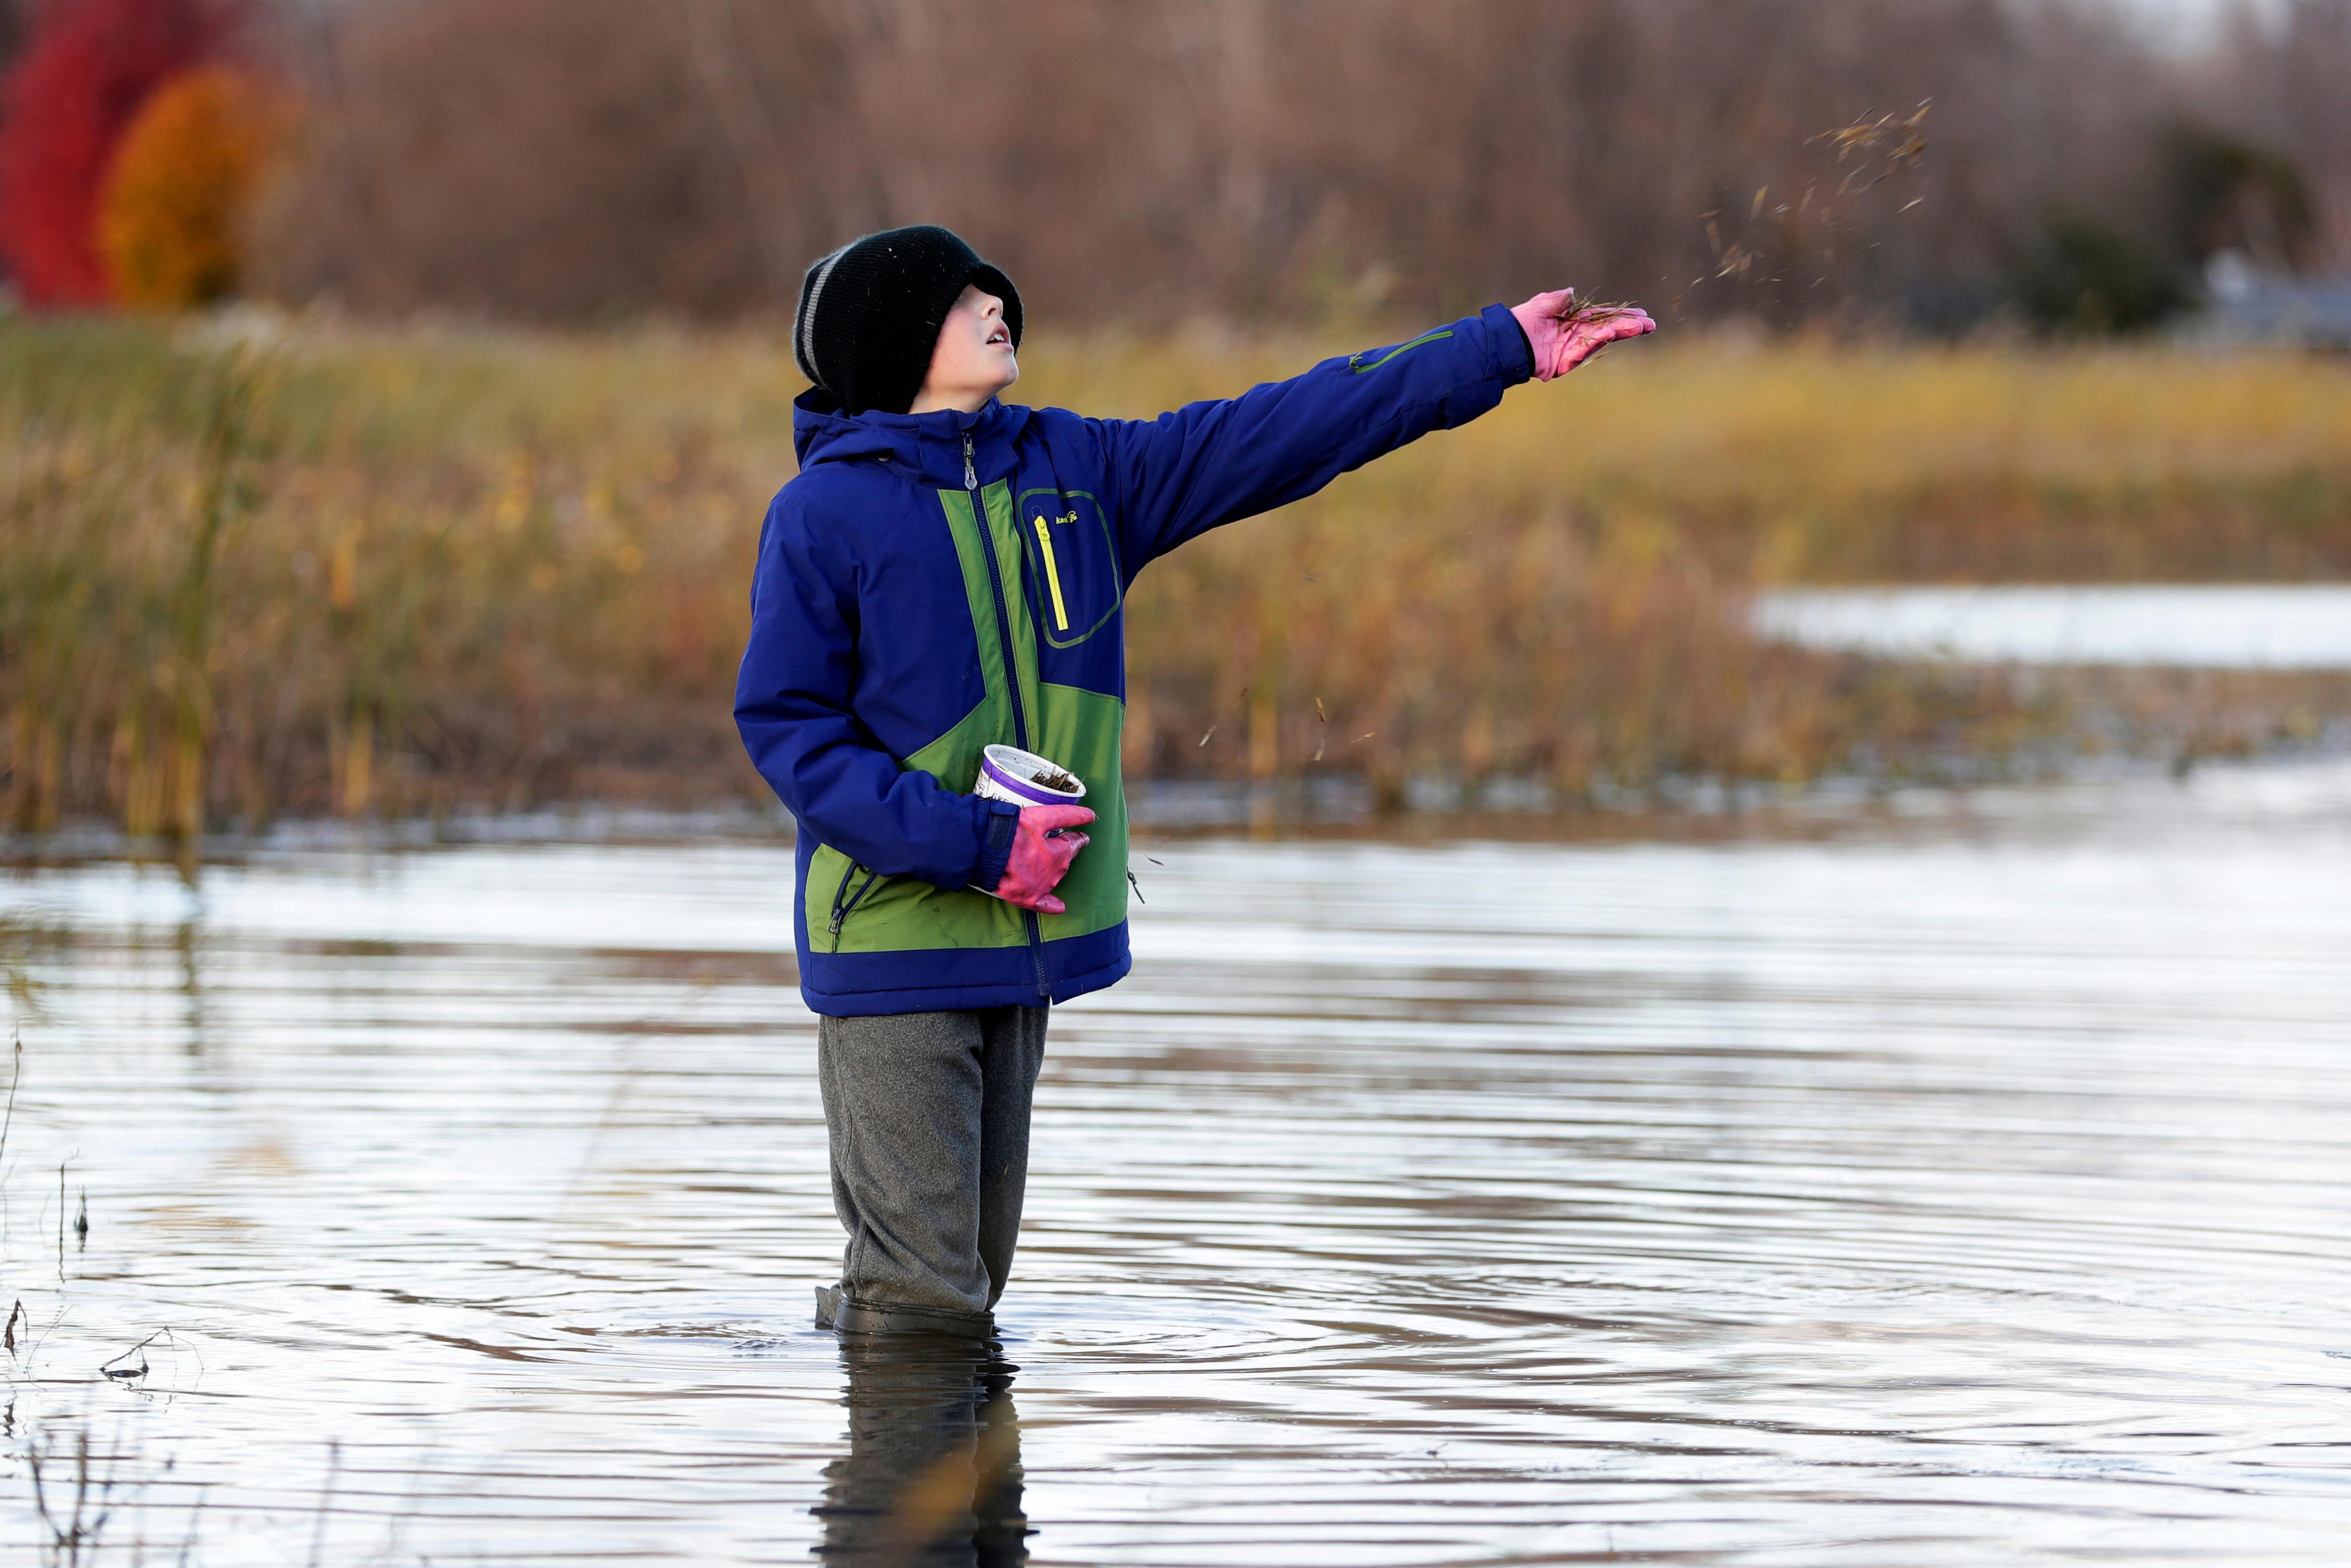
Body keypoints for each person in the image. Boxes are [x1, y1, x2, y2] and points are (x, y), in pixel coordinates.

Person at [735, 225, 1654, 1339]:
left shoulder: (1078, 471)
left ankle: (972, 1514)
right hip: (893, 944)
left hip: (1019, 944)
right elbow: (792, 733)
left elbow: (1290, 426)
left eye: (992, 290)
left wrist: (1496, 349)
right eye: (958, 299)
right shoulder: (824, 514)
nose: (993, 307)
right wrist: (976, 844)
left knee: (957, 1293)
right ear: (891, 344)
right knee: (926, 1302)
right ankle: (902, 1499)